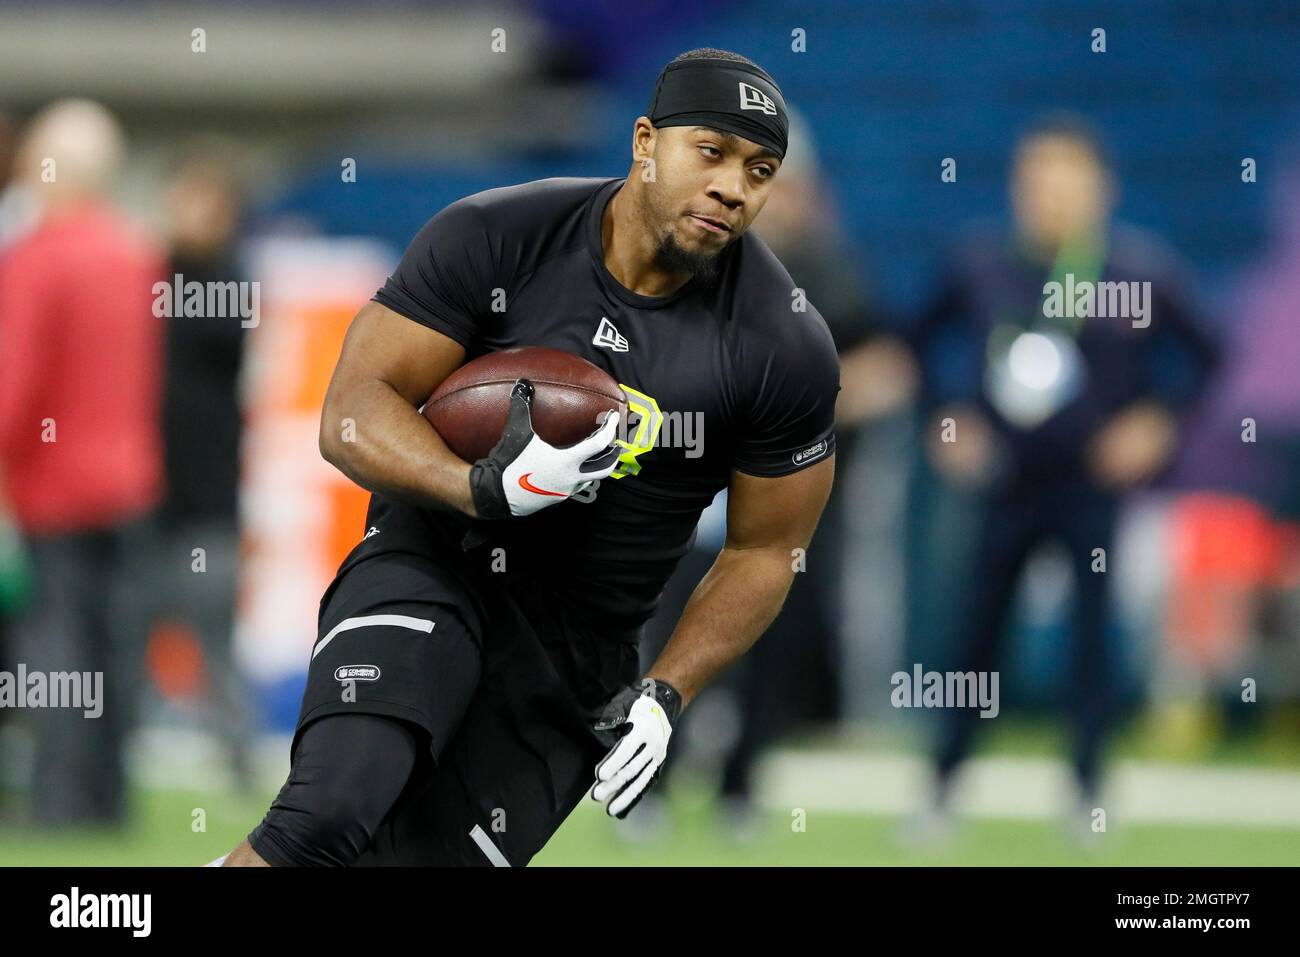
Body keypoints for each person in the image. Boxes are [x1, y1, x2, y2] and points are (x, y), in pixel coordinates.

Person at [218, 47, 840, 867]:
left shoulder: (783, 343)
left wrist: (666, 691)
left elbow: (766, 549)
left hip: (574, 658)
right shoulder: (501, 236)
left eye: (759, 170)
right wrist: (475, 487)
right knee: (325, 819)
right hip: (435, 563)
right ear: (645, 141)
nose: (733, 187)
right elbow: (352, 410)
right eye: (712, 153)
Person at [909, 114, 1219, 835]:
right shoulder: (982, 261)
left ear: (1101, 190)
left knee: (1091, 639)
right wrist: (948, 420)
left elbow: (1208, 355)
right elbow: (917, 342)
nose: (1050, 195)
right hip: (1004, 483)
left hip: (1092, 487)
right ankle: (942, 789)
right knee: (974, 637)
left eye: (1067, 180)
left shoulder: (1139, 269)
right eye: (1037, 179)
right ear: (1019, 187)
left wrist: (1158, 423)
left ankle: (1086, 791)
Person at [0, 99, 165, 826]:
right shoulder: (137, 253)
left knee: (59, 657)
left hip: (53, 489)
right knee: (118, 652)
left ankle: (61, 805)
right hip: (129, 481)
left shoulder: (36, 257)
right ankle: (110, 801)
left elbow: (13, 384)